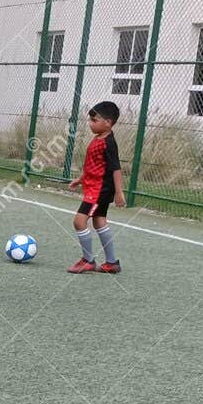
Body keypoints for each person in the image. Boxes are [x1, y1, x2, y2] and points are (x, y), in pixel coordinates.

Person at [67, 101, 125, 274]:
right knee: (99, 221)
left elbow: (115, 168)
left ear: (107, 122)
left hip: (99, 191)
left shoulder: (109, 143)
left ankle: (88, 260)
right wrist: (80, 179)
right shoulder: (98, 138)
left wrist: (119, 192)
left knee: (79, 221)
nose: (90, 123)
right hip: (94, 188)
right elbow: (94, 165)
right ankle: (112, 263)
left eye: (94, 120)